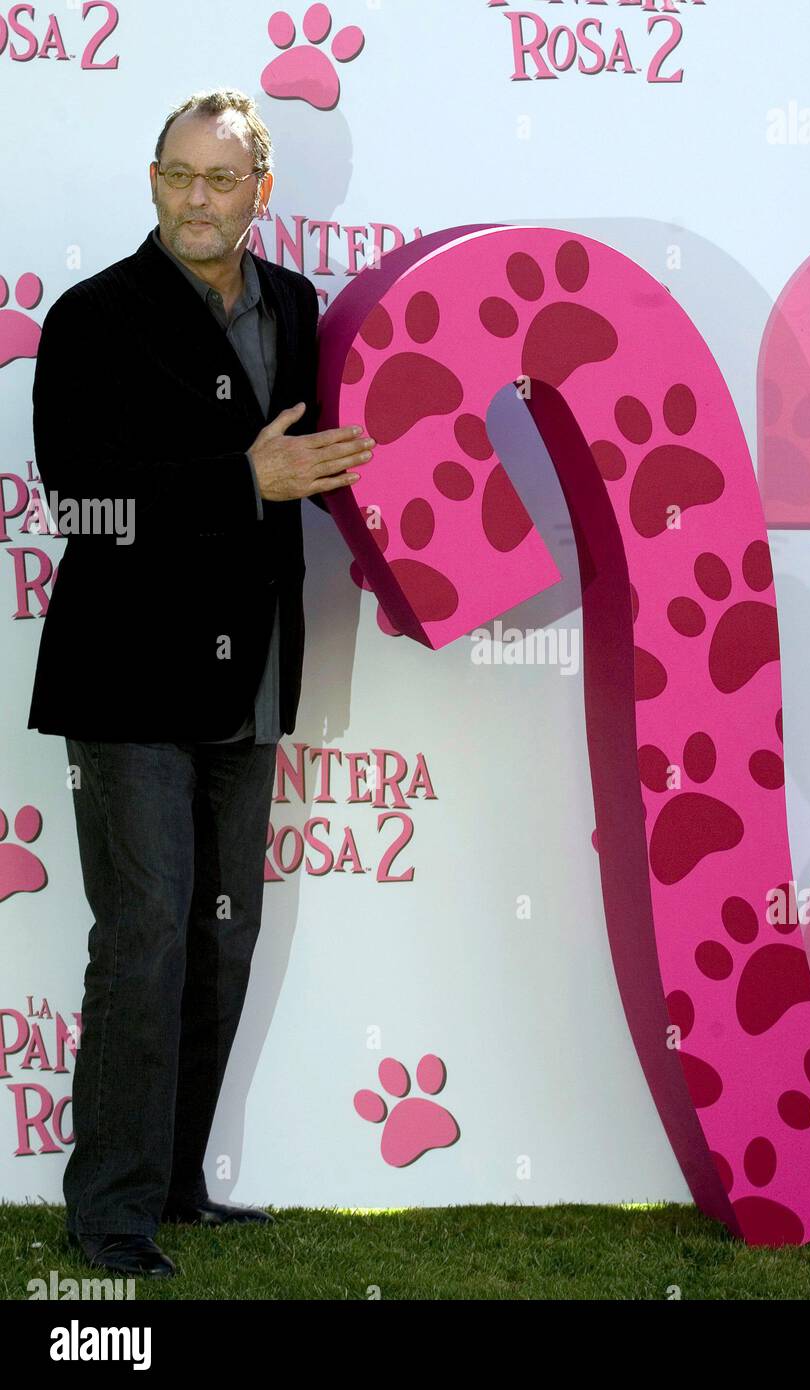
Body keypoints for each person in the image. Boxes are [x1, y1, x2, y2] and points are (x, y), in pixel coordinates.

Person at [26, 88, 374, 1278]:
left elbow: (318, 459)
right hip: (125, 682)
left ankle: (176, 1189)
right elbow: (81, 496)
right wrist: (243, 480)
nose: (193, 198)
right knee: (146, 940)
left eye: (218, 180)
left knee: (223, 940)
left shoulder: (296, 304)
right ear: (153, 179)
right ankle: (108, 1215)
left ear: (259, 192)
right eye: (176, 174)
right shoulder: (91, 315)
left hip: (254, 670)